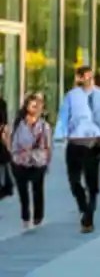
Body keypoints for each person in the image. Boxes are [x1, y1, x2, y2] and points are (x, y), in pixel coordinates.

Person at [54, 65, 100, 233]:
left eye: (90, 76)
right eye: (84, 77)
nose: (87, 80)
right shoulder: (71, 96)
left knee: (91, 182)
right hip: (75, 141)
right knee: (74, 181)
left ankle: (88, 217)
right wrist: (59, 135)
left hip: (94, 141)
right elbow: (64, 116)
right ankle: (82, 205)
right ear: (78, 78)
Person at [7, 93, 52, 230]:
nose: (36, 109)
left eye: (38, 106)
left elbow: (48, 146)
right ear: (27, 107)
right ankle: (25, 216)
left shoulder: (44, 126)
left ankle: (38, 216)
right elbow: (13, 143)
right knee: (23, 191)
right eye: (33, 106)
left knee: (37, 189)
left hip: (38, 162)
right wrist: (16, 154)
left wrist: (46, 162)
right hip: (20, 162)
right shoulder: (19, 125)